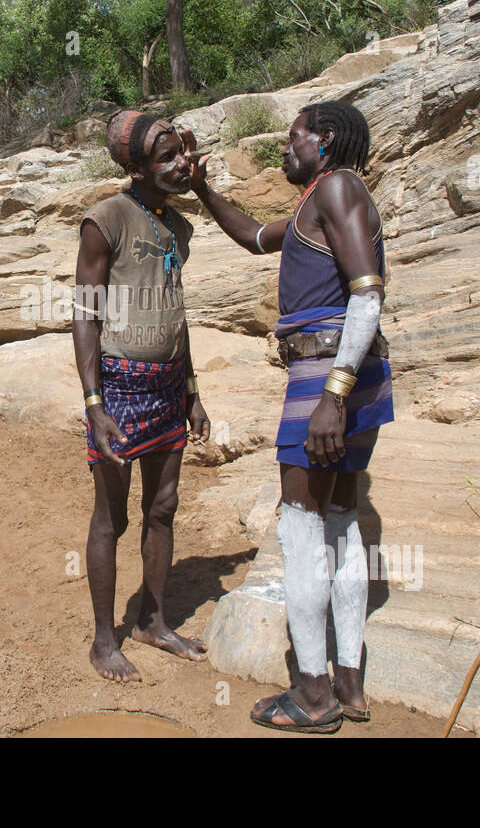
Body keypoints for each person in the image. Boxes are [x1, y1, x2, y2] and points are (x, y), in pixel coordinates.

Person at [185, 100, 394, 732]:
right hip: (349, 372)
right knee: (341, 521)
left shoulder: (338, 188)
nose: (285, 147)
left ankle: (311, 695)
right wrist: (202, 187)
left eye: (294, 136)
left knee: (301, 530)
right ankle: (348, 683)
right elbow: (252, 236)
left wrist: (332, 393)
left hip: (328, 373)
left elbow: (368, 293)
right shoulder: (317, 201)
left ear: (324, 140)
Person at [73, 109, 211, 683]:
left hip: (167, 385)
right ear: (136, 166)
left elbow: (175, 313)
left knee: (163, 507)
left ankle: (152, 621)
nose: (184, 164)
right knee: (112, 519)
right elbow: (85, 313)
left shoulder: (175, 226)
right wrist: (94, 404)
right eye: (168, 157)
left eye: (183, 152)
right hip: (119, 386)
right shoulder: (106, 219)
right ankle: (105, 641)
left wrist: (192, 389)